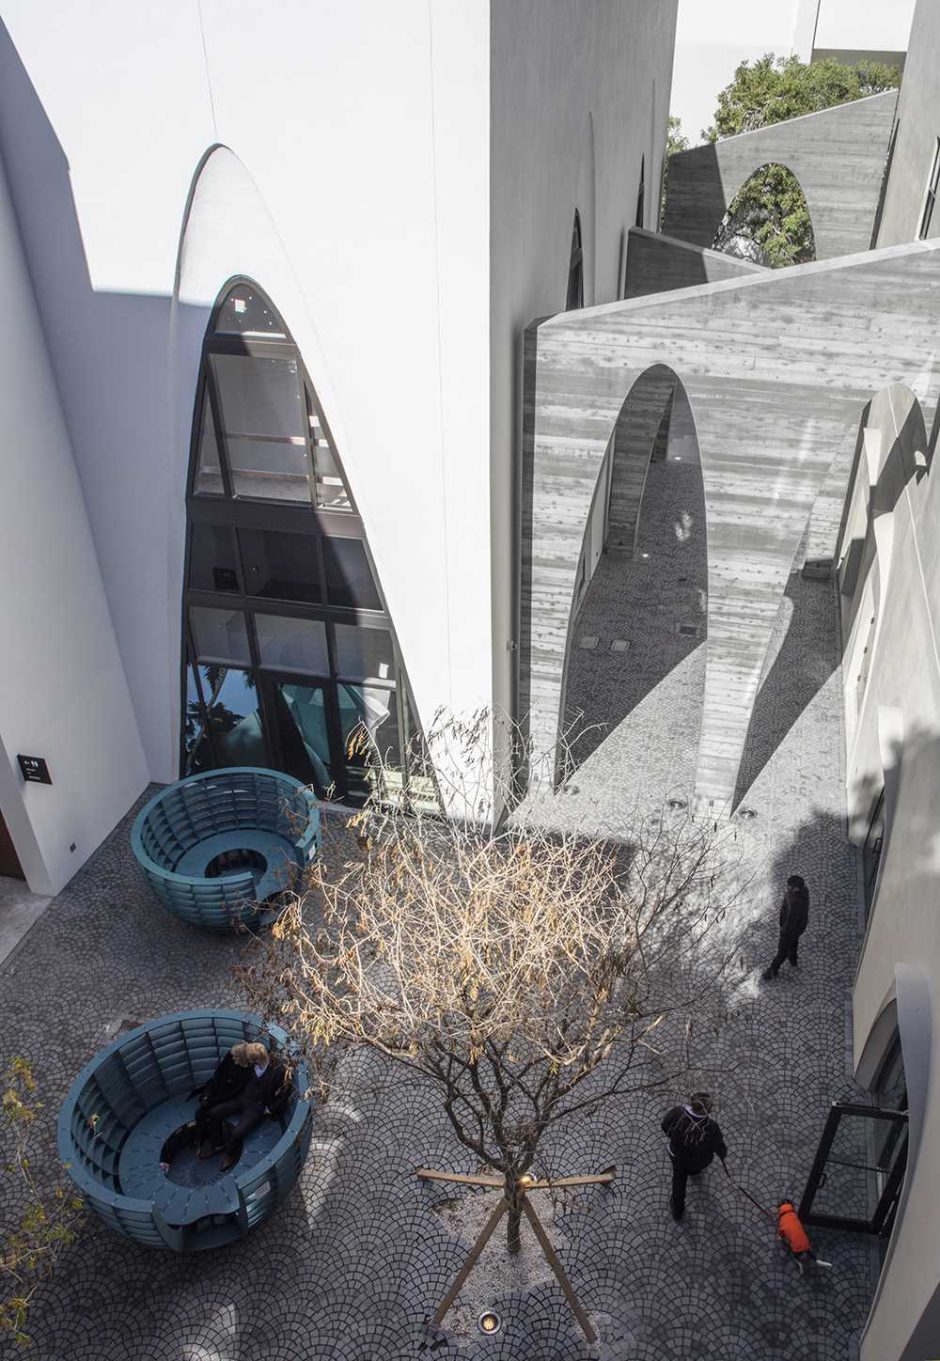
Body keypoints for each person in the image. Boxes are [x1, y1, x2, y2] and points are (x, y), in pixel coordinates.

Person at [201, 1041, 289, 1172]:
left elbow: (284, 1094)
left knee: (237, 1133)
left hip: (257, 1107)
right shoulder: (253, 1059)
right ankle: (217, 1145)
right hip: (244, 1097)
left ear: (257, 1059)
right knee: (214, 1113)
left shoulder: (277, 1071)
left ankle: (229, 1155)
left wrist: (269, 1109)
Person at [661, 1092, 728, 1221]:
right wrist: (722, 1154)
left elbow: (664, 1125)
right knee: (694, 1169)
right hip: (699, 1160)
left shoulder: (678, 1113)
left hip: (678, 1158)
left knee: (679, 1184)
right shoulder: (711, 1127)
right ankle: (694, 1172)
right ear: (706, 1110)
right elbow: (718, 1145)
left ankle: (677, 1210)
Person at [762, 874, 810, 980]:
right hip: (798, 928)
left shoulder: (795, 903)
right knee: (794, 942)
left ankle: (772, 970)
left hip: (789, 930)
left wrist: (783, 930)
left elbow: (790, 921)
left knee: (782, 952)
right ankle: (793, 959)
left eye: (789, 887)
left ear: (796, 888)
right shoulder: (804, 892)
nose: (787, 888)